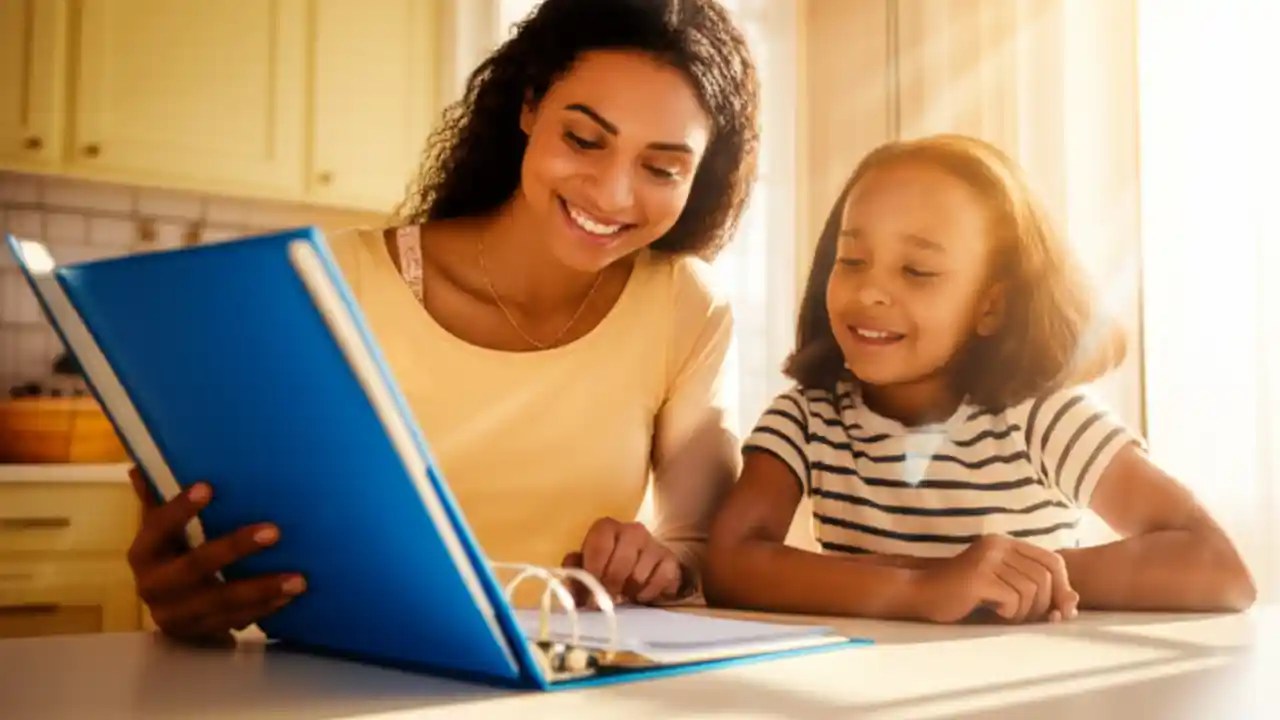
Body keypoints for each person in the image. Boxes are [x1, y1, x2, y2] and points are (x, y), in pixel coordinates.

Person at [126, 0, 760, 644]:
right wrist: (184, 588)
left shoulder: (686, 306)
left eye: (661, 168)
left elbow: (700, 549)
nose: (614, 193)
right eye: (584, 139)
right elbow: (222, 542)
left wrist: (657, 565)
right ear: (530, 105)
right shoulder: (333, 280)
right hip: (327, 679)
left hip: (559, 684)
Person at [705, 134, 1256, 624]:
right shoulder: (807, 418)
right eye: (851, 260)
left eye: (916, 271)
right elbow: (730, 563)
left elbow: (1218, 568)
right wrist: (925, 585)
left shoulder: (1043, 416)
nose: (869, 291)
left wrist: (1013, 578)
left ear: (992, 306)